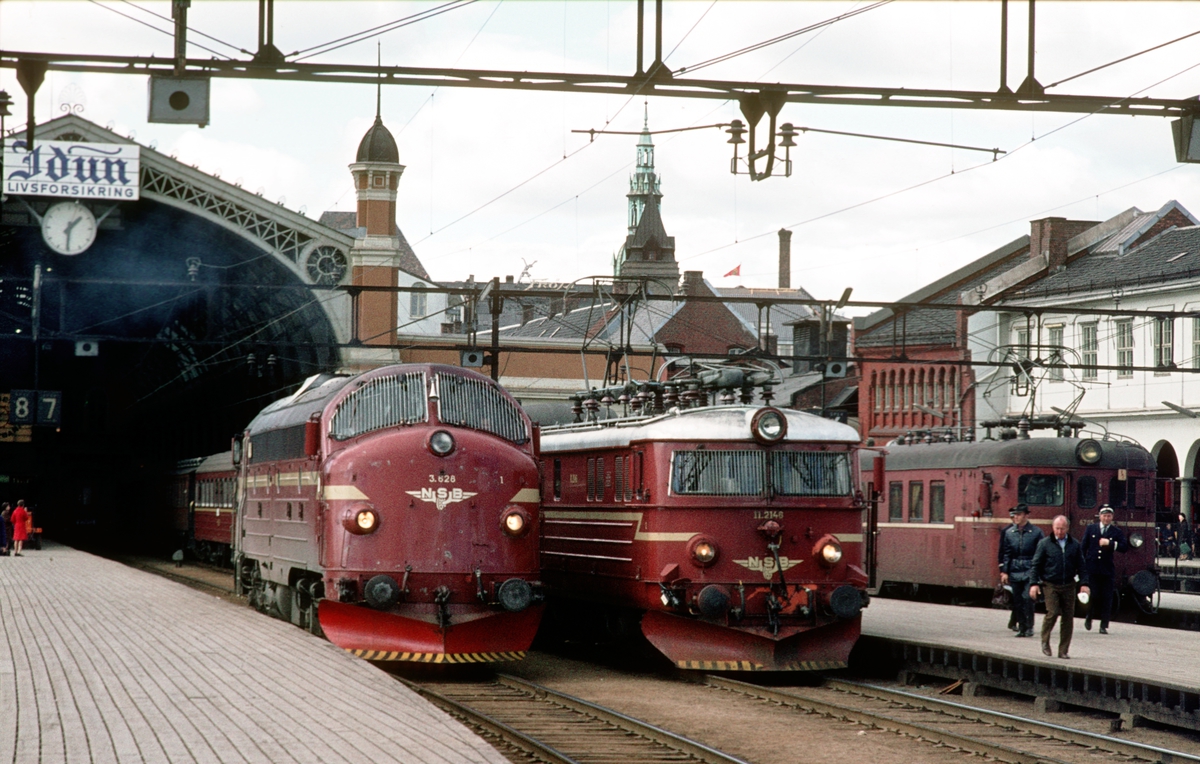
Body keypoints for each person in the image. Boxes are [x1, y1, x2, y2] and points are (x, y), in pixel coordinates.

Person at [1030, 515, 1090, 659]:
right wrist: (1034, 584)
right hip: (1050, 584)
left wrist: (1084, 584)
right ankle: (1045, 641)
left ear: (1067, 529)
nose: (1059, 531)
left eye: (1062, 529)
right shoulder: (1044, 544)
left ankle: (1063, 650)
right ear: (1052, 528)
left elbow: (1081, 566)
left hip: (1069, 584)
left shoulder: (1074, 545)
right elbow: (1035, 565)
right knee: (1052, 612)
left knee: (1068, 618)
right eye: (1057, 528)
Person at [1081, 505, 1128, 634]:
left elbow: (1124, 547)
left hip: (1107, 569)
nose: (1106, 518)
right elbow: (1083, 547)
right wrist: (1081, 565)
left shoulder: (1116, 531)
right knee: (1093, 595)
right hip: (1093, 567)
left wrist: (1111, 544)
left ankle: (1103, 625)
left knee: (1107, 597)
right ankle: (1089, 616)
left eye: (1109, 516)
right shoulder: (1091, 528)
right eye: (1104, 515)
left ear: (1112, 517)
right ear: (1099, 516)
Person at [999, 504, 1042, 637]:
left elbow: (1040, 553)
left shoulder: (1036, 532)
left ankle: (1029, 626)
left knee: (1027, 598)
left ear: (1026, 515)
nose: (1015, 517)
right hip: (1015, 569)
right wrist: (1004, 571)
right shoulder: (1009, 533)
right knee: (1017, 599)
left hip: (1030, 569)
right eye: (1014, 515)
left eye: (1018, 514)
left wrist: (1038, 572)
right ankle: (1022, 627)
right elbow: (1006, 553)